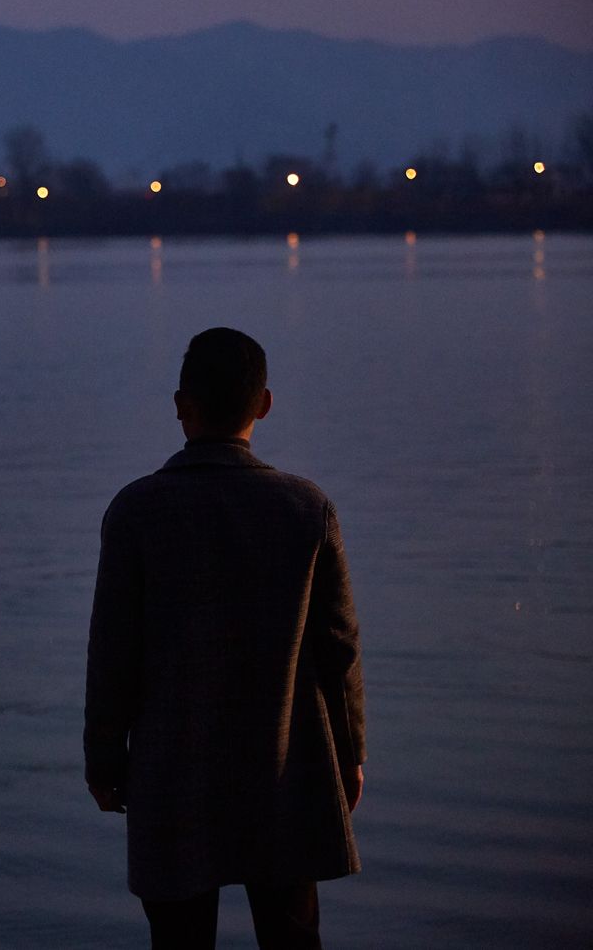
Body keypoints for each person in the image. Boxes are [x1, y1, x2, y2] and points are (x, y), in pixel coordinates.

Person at [84, 327, 365, 950]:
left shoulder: (136, 512)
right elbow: (338, 648)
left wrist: (104, 759)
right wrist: (350, 752)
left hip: (171, 775)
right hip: (285, 770)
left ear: (182, 404)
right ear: (263, 404)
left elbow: (112, 655)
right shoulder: (305, 509)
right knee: (293, 938)